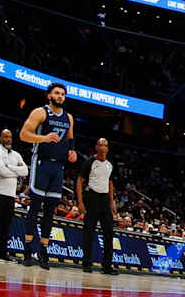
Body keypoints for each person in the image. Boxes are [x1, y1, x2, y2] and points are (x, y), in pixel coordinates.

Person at [20, 82, 77, 269]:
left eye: (62, 94)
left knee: (50, 210)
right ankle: (27, 250)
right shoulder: (40, 112)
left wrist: (72, 151)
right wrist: (43, 138)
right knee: (35, 206)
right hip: (41, 162)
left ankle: (43, 251)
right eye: (57, 93)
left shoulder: (69, 117)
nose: (60, 96)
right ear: (49, 96)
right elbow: (23, 134)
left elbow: (69, 139)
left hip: (58, 167)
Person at [77, 138, 118, 275]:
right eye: (100, 145)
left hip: (105, 199)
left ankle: (107, 266)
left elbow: (111, 183)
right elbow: (80, 181)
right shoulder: (89, 162)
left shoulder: (110, 163)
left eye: (105, 145)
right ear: (96, 147)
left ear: (108, 148)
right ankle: (87, 263)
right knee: (89, 232)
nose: (103, 147)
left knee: (108, 233)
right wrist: (80, 202)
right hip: (91, 198)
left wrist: (112, 202)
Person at [0, 129, 26, 261]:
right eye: (6, 137)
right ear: (1, 138)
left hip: (10, 195)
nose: (8, 139)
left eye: (10, 137)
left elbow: (24, 171)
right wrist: (16, 171)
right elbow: (2, 172)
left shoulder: (16, 155)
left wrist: (10, 167)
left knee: (6, 225)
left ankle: (3, 253)